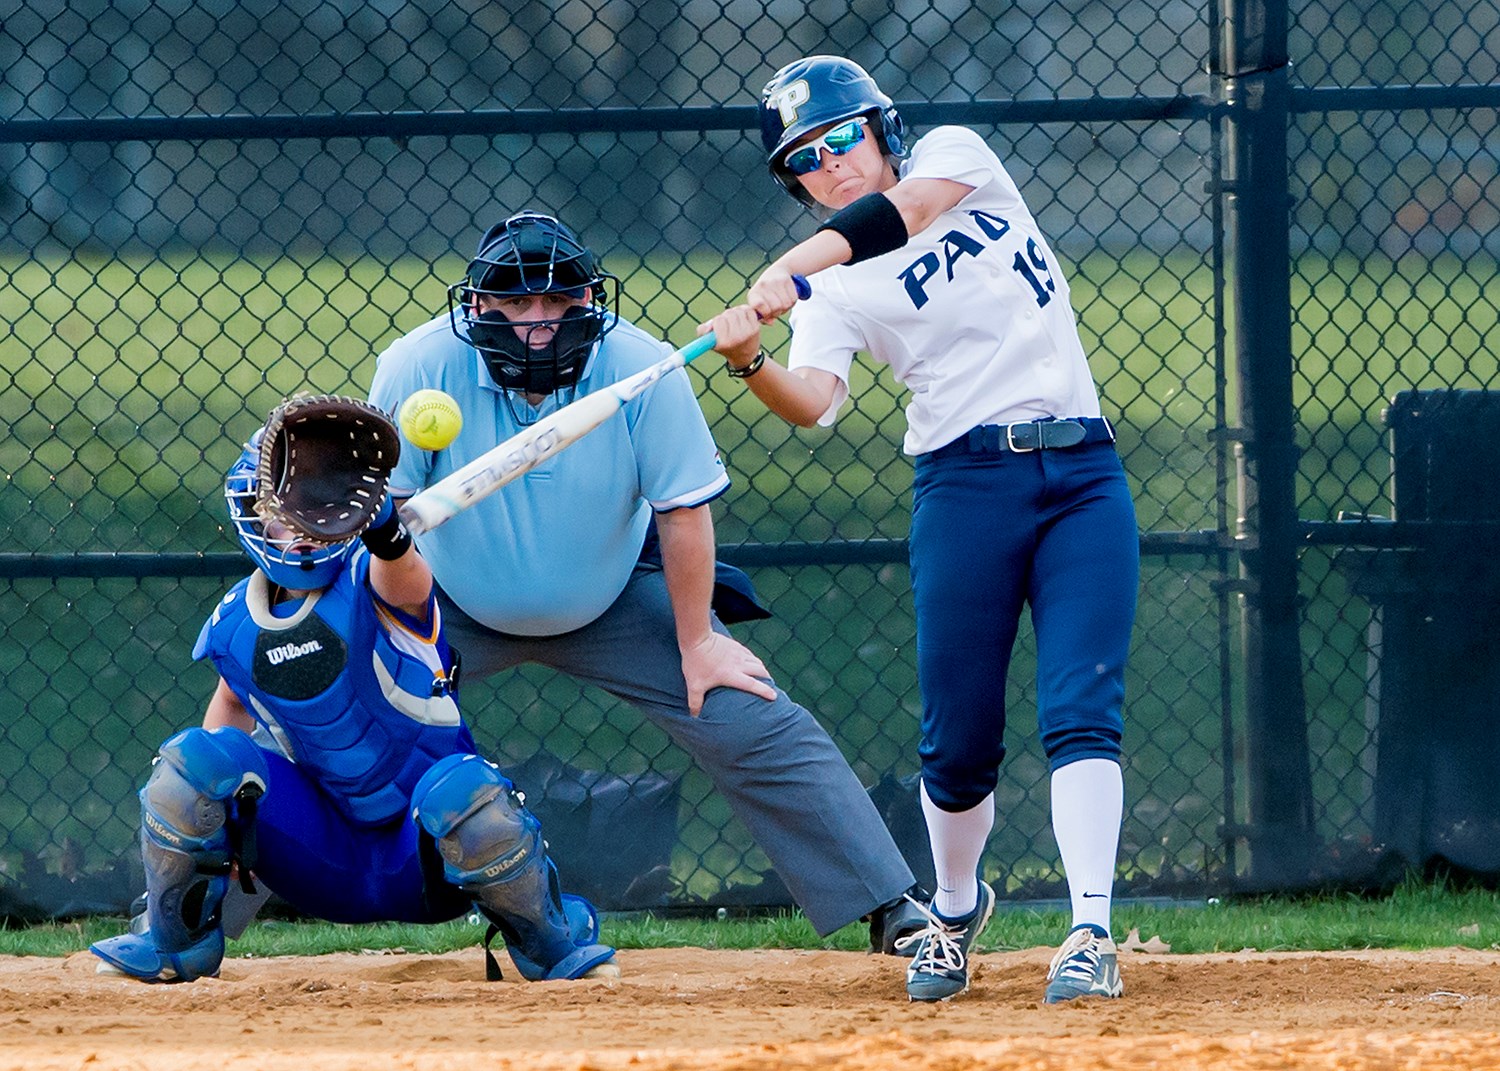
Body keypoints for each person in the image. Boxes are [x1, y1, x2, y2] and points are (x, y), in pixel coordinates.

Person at [366, 210, 927, 955]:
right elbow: (388, 525)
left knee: (746, 709)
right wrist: (394, 638)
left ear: (591, 303)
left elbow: (682, 512)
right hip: (447, 602)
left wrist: (697, 641)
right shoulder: (416, 366)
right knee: (316, 700)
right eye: (518, 302)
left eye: (561, 302)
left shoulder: (640, 363)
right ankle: (194, 909)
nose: (540, 321)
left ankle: (891, 904)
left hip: (611, 597)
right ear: (478, 306)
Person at [702, 56, 1139, 1004]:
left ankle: (1091, 928)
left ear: (882, 130)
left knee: (1080, 708)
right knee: (957, 737)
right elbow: (813, 404)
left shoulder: (955, 156)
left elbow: (895, 218)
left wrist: (786, 267)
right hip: (964, 486)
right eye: (806, 159)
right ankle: (951, 906)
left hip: (1081, 475)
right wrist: (748, 361)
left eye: (842, 137)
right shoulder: (835, 294)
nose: (832, 165)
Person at [90, 400, 616, 984]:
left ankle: (549, 943)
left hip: (429, 861)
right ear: (252, 518)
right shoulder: (235, 621)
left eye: (313, 506)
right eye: (282, 512)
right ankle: (171, 941)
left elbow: (411, 585)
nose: (298, 526)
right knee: (191, 760)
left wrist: (387, 532)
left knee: (464, 791)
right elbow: (231, 711)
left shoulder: (375, 575)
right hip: (324, 861)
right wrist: (203, 811)